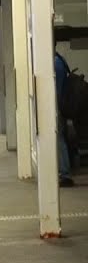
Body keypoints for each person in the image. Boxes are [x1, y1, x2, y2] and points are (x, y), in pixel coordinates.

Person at [55, 49, 74, 187]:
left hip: (58, 107)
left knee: (59, 139)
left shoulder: (55, 64)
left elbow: (56, 90)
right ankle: (65, 170)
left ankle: (65, 174)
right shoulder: (60, 60)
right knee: (62, 138)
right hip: (63, 106)